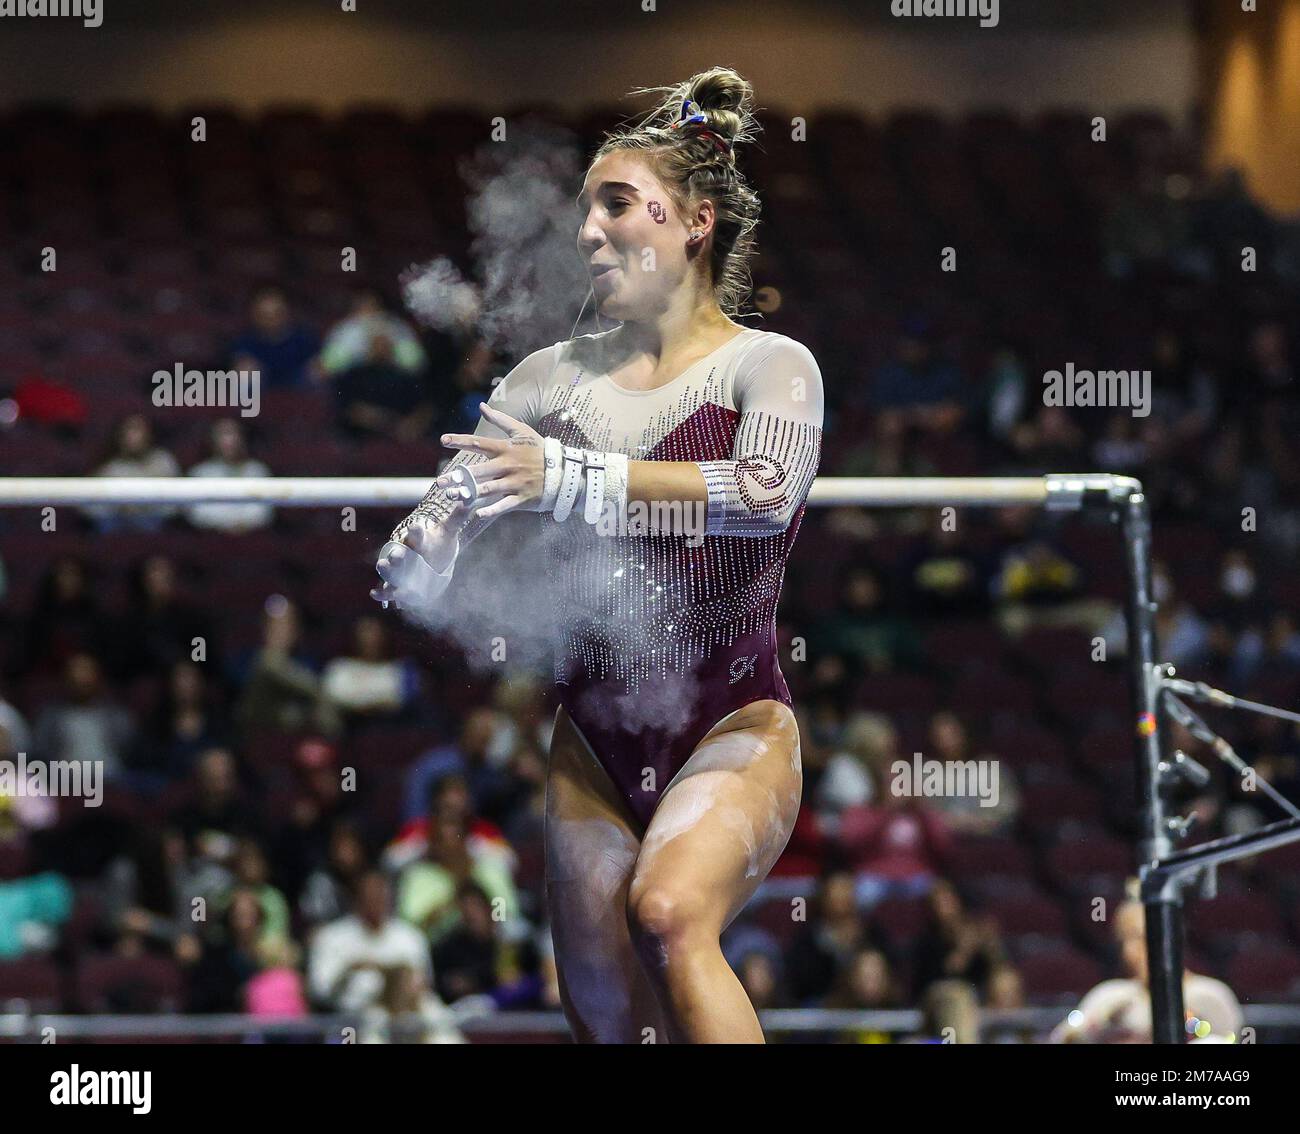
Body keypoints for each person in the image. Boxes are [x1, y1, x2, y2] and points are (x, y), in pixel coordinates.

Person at [374, 68, 823, 1043]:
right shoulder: (544, 379)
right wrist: (425, 550)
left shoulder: (768, 364)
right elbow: (450, 510)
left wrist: (570, 477)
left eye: (617, 204)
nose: (588, 232)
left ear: (695, 222)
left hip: (730, 714)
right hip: (595, 734)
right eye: (584, 211)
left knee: (665, 912)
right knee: (607, 1008)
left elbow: (762, 496)